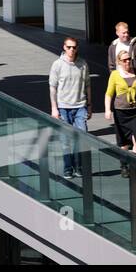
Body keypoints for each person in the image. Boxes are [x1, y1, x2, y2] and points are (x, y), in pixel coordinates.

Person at [50, 37, 92, 178]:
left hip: (80, 106)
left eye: (74, 47)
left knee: (81, 136)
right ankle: (68, 168)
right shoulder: (57, 65)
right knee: (66, 140)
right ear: (64, 47)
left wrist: (89, 105)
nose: (71, 50)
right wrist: (54, 108)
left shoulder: (83, 64)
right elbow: (53, 87)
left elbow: (88, 85)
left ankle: (78, 166)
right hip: (63, 107)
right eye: (69, 47)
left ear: (77, 48)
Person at [105, 46, 136, 163]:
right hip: (120, 112)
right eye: (124, 60)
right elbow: (109, 94)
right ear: (119, 62)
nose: (127, 62)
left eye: (129, 59)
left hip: (135, 111)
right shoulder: (115, 75)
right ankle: (124, 167)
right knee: (123, 143)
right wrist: (107, 110)